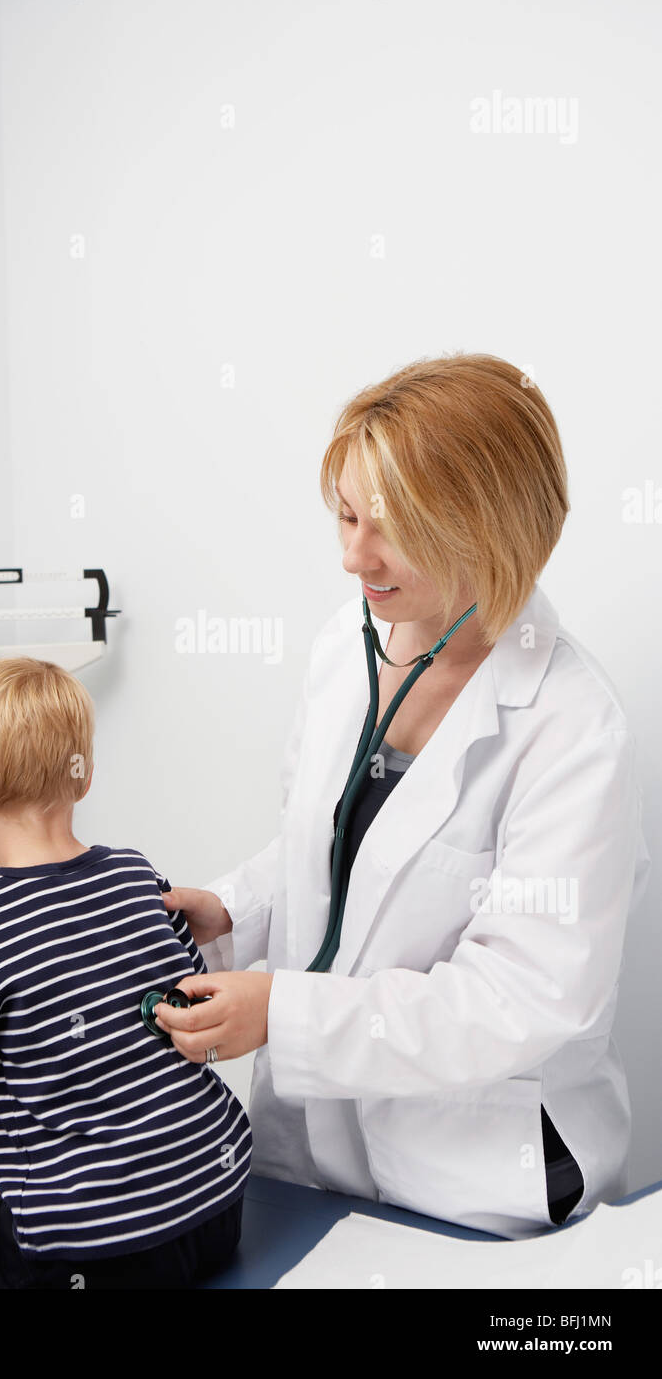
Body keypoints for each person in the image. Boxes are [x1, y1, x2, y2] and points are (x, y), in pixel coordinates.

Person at [153, 352, 651, 1241]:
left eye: (388, 528)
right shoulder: (345, 654)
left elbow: (522, 995)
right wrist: (230, 912)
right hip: (306, 1151)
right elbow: (333, 850)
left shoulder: (573, 728)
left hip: (475, 1174)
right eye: (344, 517)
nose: (353, 556)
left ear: (484, 527)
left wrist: (285, 1014)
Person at [0, 657, 250, 1289]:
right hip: (216, 1208)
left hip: (93, 1256)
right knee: (5, 1196)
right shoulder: (138, 878)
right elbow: (180, 1032)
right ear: (84, 777)